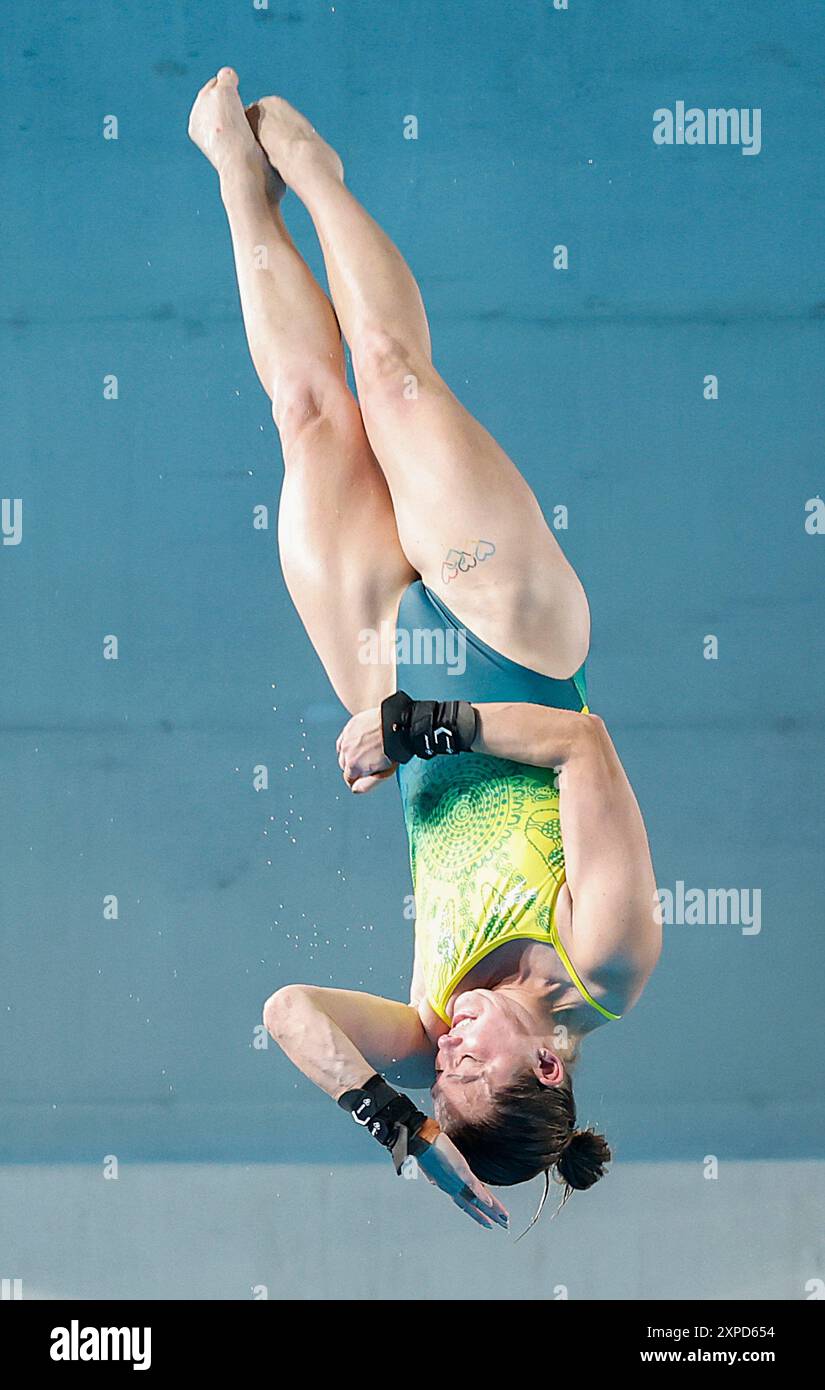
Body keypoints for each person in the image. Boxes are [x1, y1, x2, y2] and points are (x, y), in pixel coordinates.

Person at [188, 68, 661, 1232]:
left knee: (310, 413)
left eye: (432, 1076)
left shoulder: (421, 1036)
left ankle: (241, 187)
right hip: (515, 647)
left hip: (388, 680)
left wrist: (398, 1127)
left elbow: (290, 1008)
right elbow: (584, 749)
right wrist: (428, 727)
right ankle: (317, 173)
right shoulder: (605, 962)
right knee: (392, 380)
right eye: (467, 1069)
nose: (443, 1046)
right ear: (548, 1067)